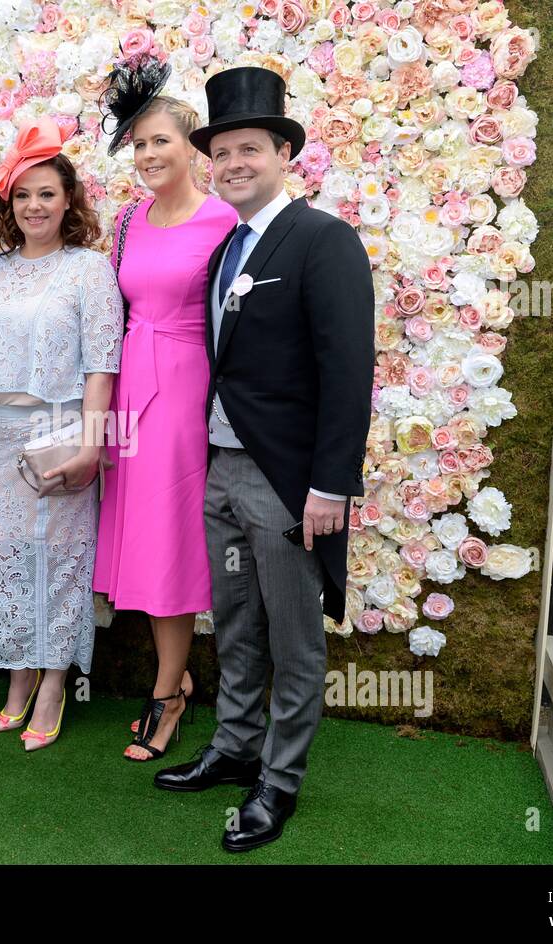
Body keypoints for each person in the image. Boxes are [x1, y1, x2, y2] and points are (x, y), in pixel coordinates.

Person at [153, 67, 375, 852]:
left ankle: (277, 781)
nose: (234, 162)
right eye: (222, 151)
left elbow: (349, 372)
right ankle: (235, 745)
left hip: (286, 483)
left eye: (251, 147)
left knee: (294, 636)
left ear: (285, 153)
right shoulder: (226, 250)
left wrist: (328, 487)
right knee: (237, 624)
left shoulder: (323, 240)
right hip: (220, 469)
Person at [0, 116, 123, 751]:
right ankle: (17, 677)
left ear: (68, 200)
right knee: (1, 558)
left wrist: (92, 444)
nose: (34, 206)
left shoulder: (89, 270)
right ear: (9, 204)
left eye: (46, 193)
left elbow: (102, 365)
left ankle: (53, 683)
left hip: (60, 432)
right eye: (22, 195)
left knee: (59, 561)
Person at [94, 60, 238, 762]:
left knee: (170, 541)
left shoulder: (225, 221)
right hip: (128, 391)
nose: (149, 155)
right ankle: (172, 677)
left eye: (161, 142)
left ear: (194, 149)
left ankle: (169, 693)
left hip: (185, 394)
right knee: (138, 539)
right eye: (139, 143)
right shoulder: (126, 220)